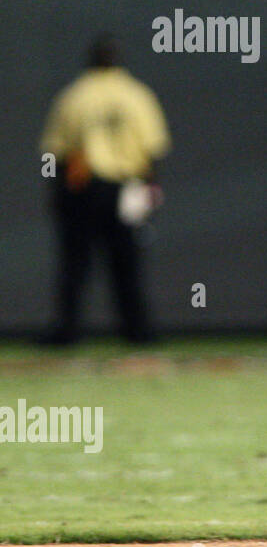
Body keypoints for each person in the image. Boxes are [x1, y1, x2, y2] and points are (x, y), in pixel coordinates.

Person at [39, 34, 169, 344]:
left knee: (75, 263)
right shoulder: (137, 94)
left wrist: (56, 192)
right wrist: (151, 185)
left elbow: (56, 151)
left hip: (84, 189)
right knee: (127, 262)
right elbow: (153, 148)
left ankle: (67, 331)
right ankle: (137, 331)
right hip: (127, 187)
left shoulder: (74, 95)